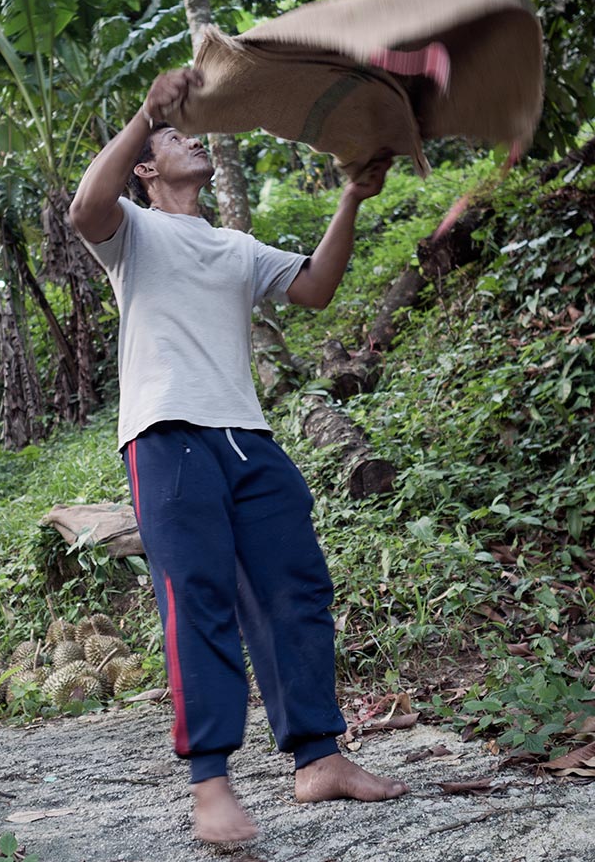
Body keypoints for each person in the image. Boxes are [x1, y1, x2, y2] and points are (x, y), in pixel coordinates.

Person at [70, 68, 409, 844]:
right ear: (147, 169)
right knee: (198, 598)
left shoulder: (235, 245)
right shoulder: (130, 231)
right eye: (174, 137)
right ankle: (210, 784)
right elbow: (83, 207)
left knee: (297, 589)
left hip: (247, 439)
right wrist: (143, 114)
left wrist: (352, 196)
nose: (194, 140)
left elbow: (317, 289)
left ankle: (318, 758)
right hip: (166, 435)